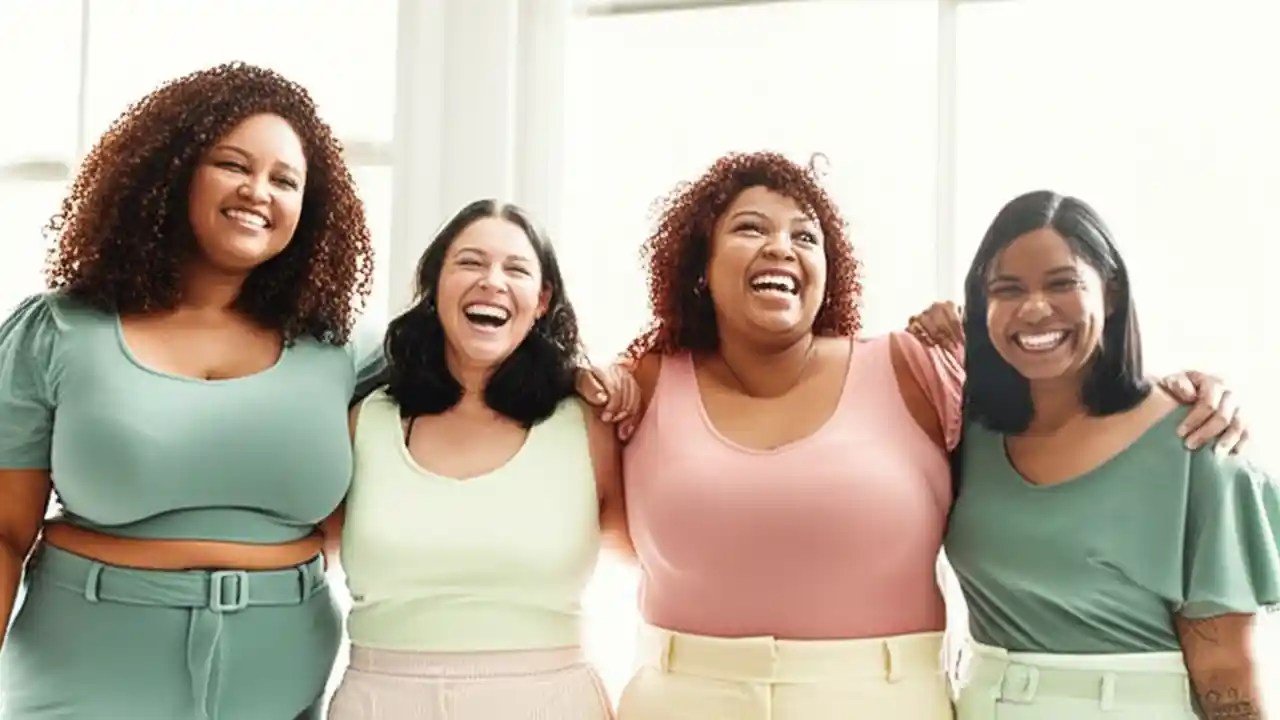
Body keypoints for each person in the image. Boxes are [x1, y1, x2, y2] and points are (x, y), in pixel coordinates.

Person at [580, 151, 1250, 719]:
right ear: (699, 264)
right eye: (750, 228)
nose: (781, 246)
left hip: (884, 700)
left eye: (805, 236)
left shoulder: (915, 367)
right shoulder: (641, 385)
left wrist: (1173, 392)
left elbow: (1056, 394)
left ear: (829, 269)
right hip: (682, 699)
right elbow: (599, 531)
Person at [0, 62, 383, 719]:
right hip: (85, 672)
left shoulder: (346, 351)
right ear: (171, 171)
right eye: (232, 164)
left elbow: (490, 395)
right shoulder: (58, 330)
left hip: (281, 680)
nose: (258, 191)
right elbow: (5, 531)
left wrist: (600, 379)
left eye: (284, 179)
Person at [916, 190, 1277, 718]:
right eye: (1007, 289)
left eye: (1062, 284)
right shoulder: (965, 429)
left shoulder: (1196, 442)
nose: (1034, 308)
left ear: (1109, 294)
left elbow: (1227, 672)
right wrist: (927, 336)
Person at [325, 200, 625, 719]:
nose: (492, 281)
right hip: (381, 700)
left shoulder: (587, 425)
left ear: (541, 300)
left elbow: (661, 559)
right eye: (470, 262)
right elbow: (307, 552)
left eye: (516, 268)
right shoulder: (366, 422)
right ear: (434, 285)